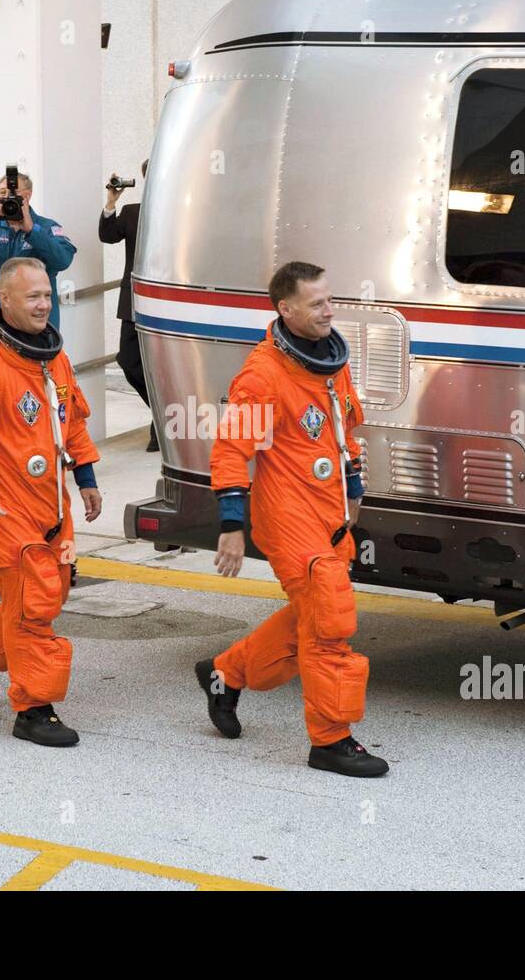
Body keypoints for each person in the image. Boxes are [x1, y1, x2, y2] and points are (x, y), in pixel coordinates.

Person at [195, 261, 387, 777]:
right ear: (286, 309)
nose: (330, 310)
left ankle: (226, 672)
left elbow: (345, 433)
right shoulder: (262, 376)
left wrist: (354, 492)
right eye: (317, 303)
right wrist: (232, 526)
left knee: (312, 616)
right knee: (330, 622)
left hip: (330, 515)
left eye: (330, 300)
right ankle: (330, 739)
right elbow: (232, 451)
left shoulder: (330, 361)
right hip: (287, 517)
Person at [0, 257, 102, 747]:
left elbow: (72, 421)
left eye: (47, 296)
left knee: (43, 598)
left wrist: (87, 477)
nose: (43, 304)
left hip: (50, 506)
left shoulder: (54, 357)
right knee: (34, 599)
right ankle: (33, 709)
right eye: (32, 297)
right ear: (4, 299)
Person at [0, 171, 75, 327]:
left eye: (13, 192)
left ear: (27, 196)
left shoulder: (46, 227)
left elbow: (63, 261)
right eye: (2, 192)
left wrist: (32, 231)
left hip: (40, 320)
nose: (7, 196)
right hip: (1, 318)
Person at [100, 160, 156, 452]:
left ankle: (165, 425)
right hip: (134, 300)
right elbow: (107, 235)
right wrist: (111, 201)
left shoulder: (185, 211)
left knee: (163, 365)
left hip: (169, 303)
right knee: (128, 360)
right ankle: (162, 415)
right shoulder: (132, 212)